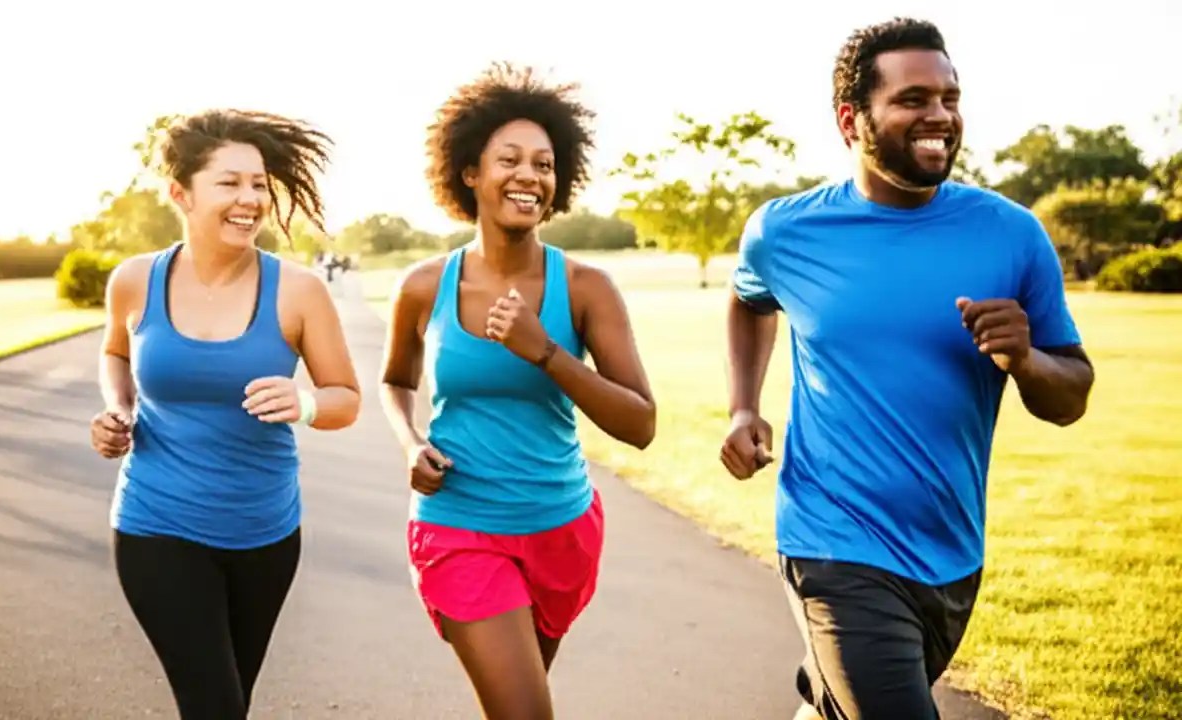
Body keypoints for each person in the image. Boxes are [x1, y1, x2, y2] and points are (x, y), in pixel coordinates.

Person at [719, 18, 1095, 720]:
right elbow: (749, 301)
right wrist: (743, 405)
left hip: (952, 554)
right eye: (913, 99)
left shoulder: (1012, 235)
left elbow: (1071, 396)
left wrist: (1026, 358)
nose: (940, 117)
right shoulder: (785, 232)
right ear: (850, 120)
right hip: (833, 543)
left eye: (950, 98)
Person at [379, 63, 656, 719]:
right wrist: (409, 442)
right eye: (510, 160)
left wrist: (546, 352)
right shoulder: (424, 285)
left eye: (545, 164)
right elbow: (395, 380)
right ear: (469, 172)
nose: (530, 176)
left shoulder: (587, 289)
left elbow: (640, 424)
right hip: (460, 526)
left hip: (561, 529)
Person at [88, 109, 362, 720]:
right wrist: (118, 408)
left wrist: (307, 403)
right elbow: (114, 350)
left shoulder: (297, 291)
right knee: (212, 704)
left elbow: (346, 396)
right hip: (156, 522)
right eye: (229, 183)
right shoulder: (134, 281)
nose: (250, 199)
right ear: (180, 193)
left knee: (230, 700)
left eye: (259, 184)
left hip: (265, 532)